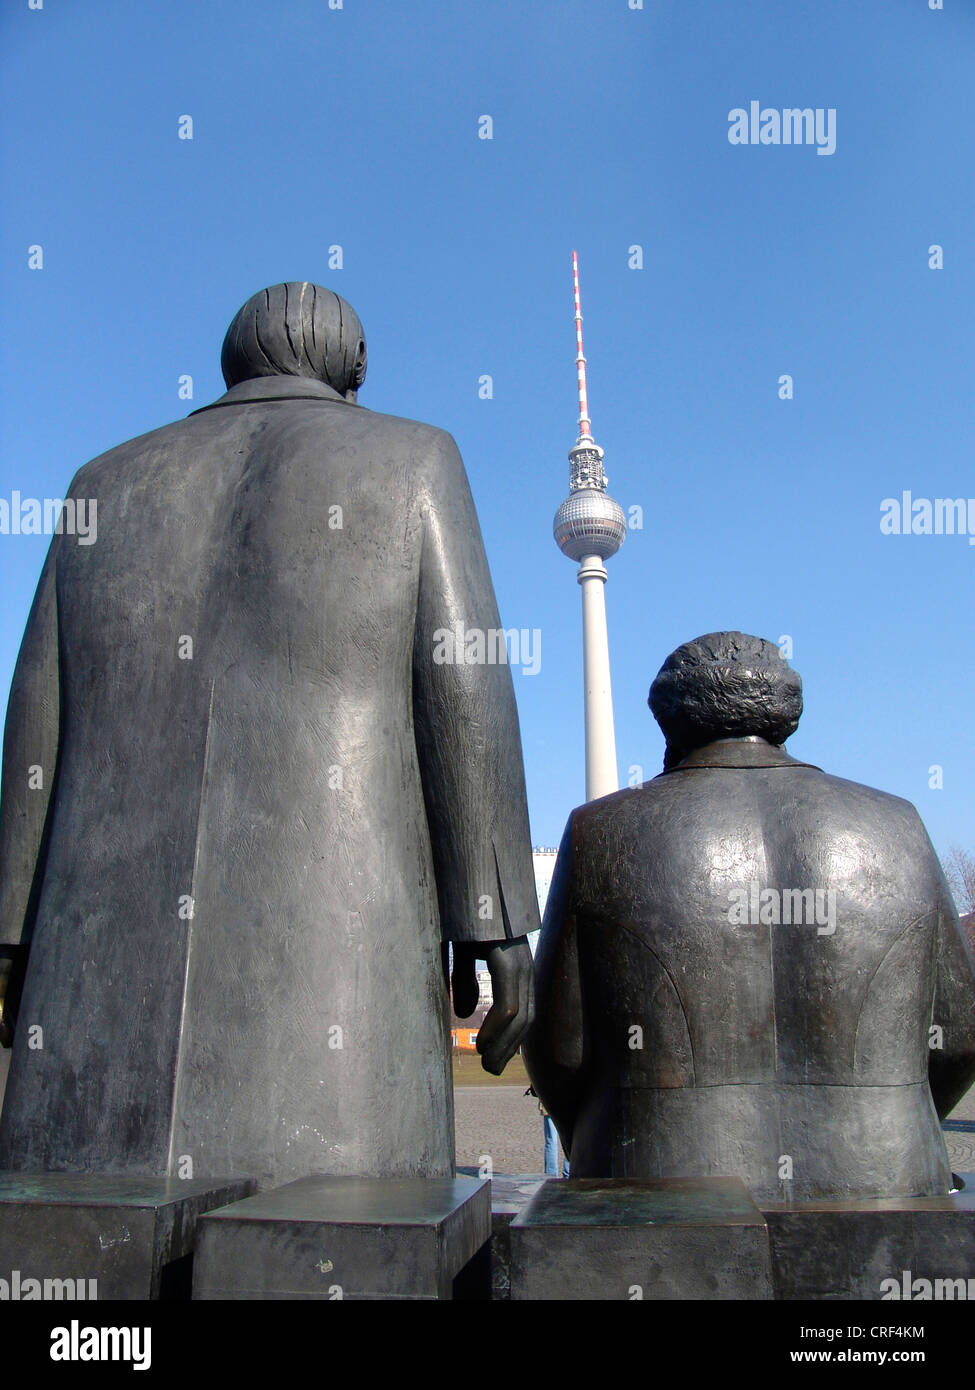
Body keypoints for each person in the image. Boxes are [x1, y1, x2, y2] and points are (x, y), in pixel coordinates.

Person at [0, 282, 537, 1187]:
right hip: (337, 928)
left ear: (229, 362)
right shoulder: (413, 459)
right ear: (355, 374)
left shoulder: (101, 481)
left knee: (78, 1229)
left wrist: (14, 924)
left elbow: (34, 718)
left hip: (97, 963)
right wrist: (493, 921)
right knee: (341, 1224)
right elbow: (464, 680)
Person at [526, 632, 975, 1202]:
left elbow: (558, 1048)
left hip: (657, 1183)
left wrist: (602, 1139)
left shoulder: (599, 830)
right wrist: (889, 1121)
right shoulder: (899, 823)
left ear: (669, 723)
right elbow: (957, 1037)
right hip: (886, 1179)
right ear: (786, 716)